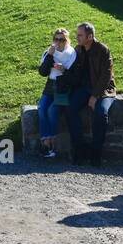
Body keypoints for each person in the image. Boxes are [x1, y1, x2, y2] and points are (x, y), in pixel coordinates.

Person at [59, 21, 116, 166]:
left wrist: (95, 95)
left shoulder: (103, 50)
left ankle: (96, 153)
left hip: (103, 90)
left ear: (89, 36)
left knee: (101, 112)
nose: (77, 37)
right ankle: (80, 149)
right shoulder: (78, 50)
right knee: (70, 108)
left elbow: (106, 75)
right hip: (85, 88)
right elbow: (75, 71)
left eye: (80, 35)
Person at [35, 28, 77, 160]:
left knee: (52, 110)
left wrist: (63, 69)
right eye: (56, 39)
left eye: (62, 39)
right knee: (42, 108)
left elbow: (74, 76)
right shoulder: (49, 52)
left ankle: (53, 144)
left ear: (67, 40)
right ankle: (46, 142)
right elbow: (42, 72)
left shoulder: (71, 53)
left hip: (63, 87)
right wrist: (50, 56)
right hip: (50, 85)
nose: (59, 42)